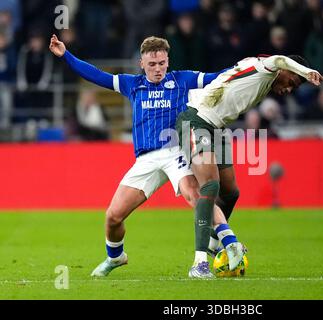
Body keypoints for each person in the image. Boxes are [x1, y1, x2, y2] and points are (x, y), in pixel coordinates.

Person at [49, 34, 243, 279]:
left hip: (176, 152)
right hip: (146, 160)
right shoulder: (133, 84)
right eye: (152, 64)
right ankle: (115, 257)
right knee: (113, 216)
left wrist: (249, 66)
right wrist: (66, 55)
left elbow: (219, 77)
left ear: (168, 61)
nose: (158, 69)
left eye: (161, 63)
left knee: (196, 195)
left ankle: (230, 242)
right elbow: (97, 75)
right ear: (142, 64)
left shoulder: (183, 80)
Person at [176, 54, 323, 268]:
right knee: (209, 186)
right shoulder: (265, 68)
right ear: (286, 71)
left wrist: (298, 73)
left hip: (216, 128)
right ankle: (199, 263)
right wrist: (305, 72)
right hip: (196, 119)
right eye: (291, 82)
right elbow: (279, 59)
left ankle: (212, 242)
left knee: (230, 192)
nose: (289, 90)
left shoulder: (263, 75)